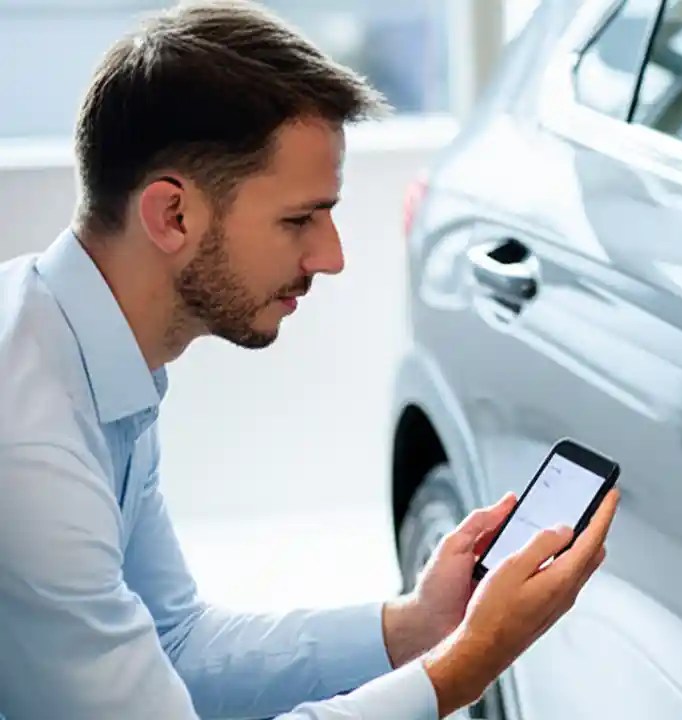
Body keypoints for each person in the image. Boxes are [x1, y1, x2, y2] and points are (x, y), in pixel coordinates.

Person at [0, 1, 619, 717]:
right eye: (299, 219)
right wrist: (465, 665)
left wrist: (417, 626)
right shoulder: (31, 438)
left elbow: (175, 644)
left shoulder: (81, 352)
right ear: (172, 216)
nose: (332, 256)